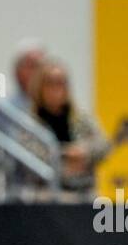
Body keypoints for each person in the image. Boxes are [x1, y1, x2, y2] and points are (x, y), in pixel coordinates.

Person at [21, 56, 111, 196]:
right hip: (45, 195)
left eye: (61, 83)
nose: (57, 89)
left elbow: (104, 144)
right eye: (50, 83)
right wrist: (64, 158)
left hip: (84, 193)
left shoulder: (80, 118)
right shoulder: (30, 123)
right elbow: (29, 157)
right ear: (40, 87)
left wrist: (84, 152)